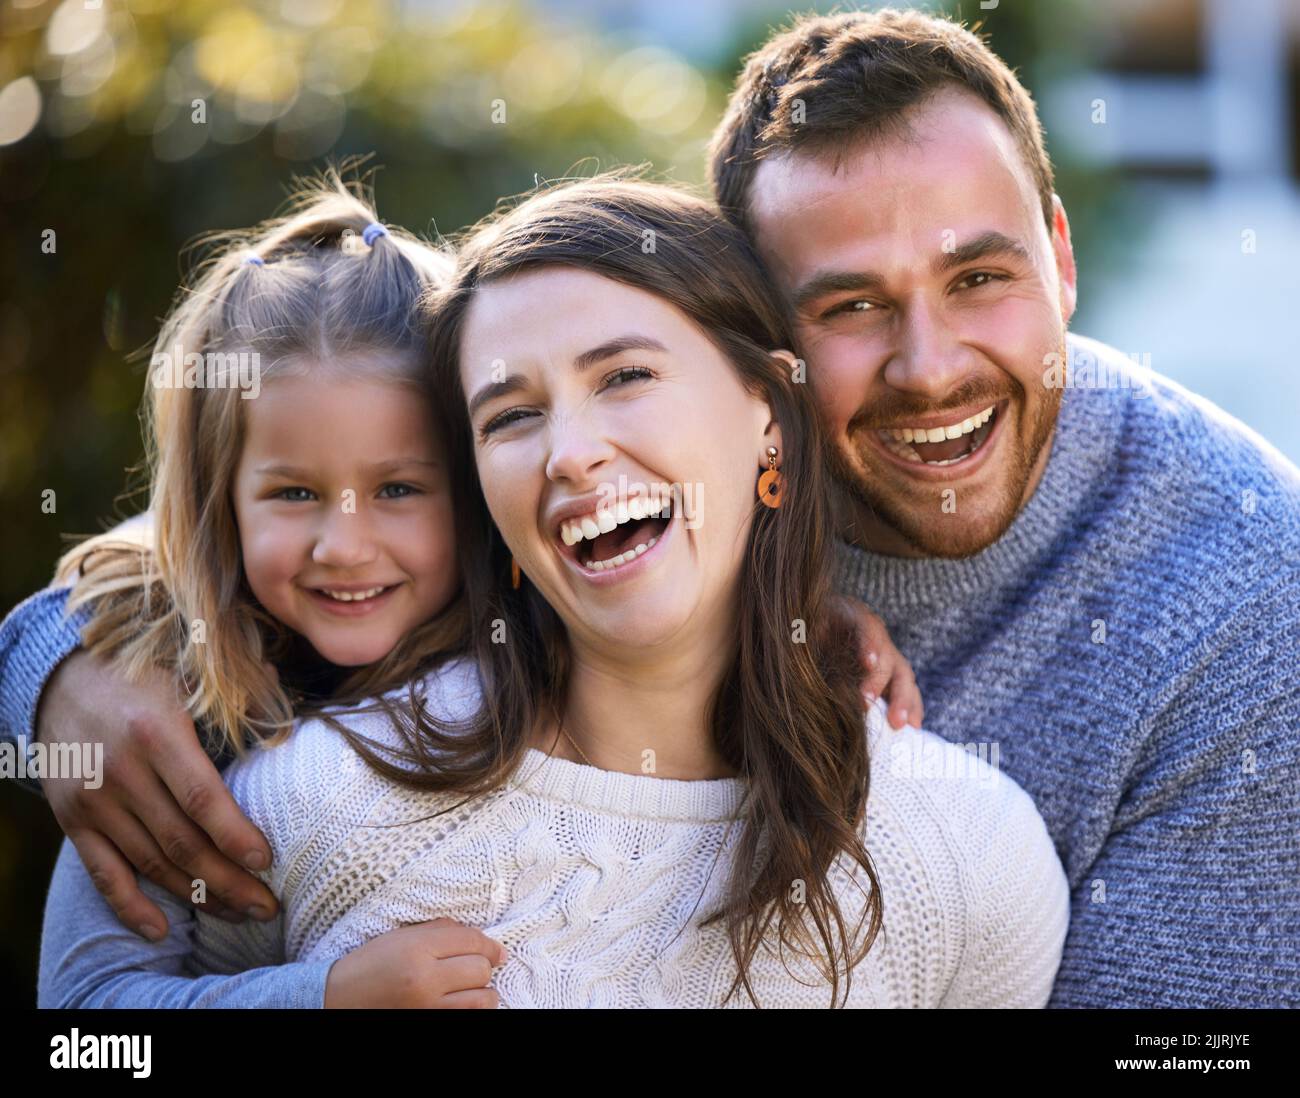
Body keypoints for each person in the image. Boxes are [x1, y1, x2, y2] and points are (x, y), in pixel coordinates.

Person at [38, 173, 1068, 1008]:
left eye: (623, 376)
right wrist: (53, 656)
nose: (572, 454)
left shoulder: (966, 855)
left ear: (768, 413)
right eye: (510, 416)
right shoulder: (286, 794)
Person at [706, 8, 1300, 1006]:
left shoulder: (1252, 605)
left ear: (1060, 261)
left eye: (978, 278)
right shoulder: (658, 510)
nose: (930, 368)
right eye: (850, 306)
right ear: (757, 344)